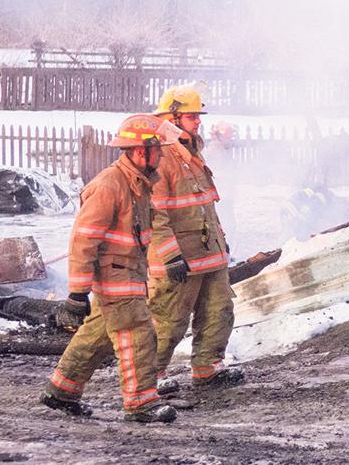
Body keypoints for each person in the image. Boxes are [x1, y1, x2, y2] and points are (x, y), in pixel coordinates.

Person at [40, 114, 176, 423]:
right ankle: (141, 403)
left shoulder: (137, 183)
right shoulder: (109, 185)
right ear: (141, 151)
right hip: (116, 277)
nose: (162, 155)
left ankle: (62, 391)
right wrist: (77, 293)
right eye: (158, 150)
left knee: (98, 334)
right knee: (137, 334)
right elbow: (83, 241)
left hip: (129, 274)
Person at [147, 84, 243, 394]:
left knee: (219, 311)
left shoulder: (192, 150)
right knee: (169, 319)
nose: (198, 121)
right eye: (191, 116)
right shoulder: (159, 156)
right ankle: (150, 376)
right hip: (179, 259)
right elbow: (153, 212)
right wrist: (169, 254)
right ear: (172, 117)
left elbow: (204, 203)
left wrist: (221, 237)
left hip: (208, 252)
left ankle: (207, 367)